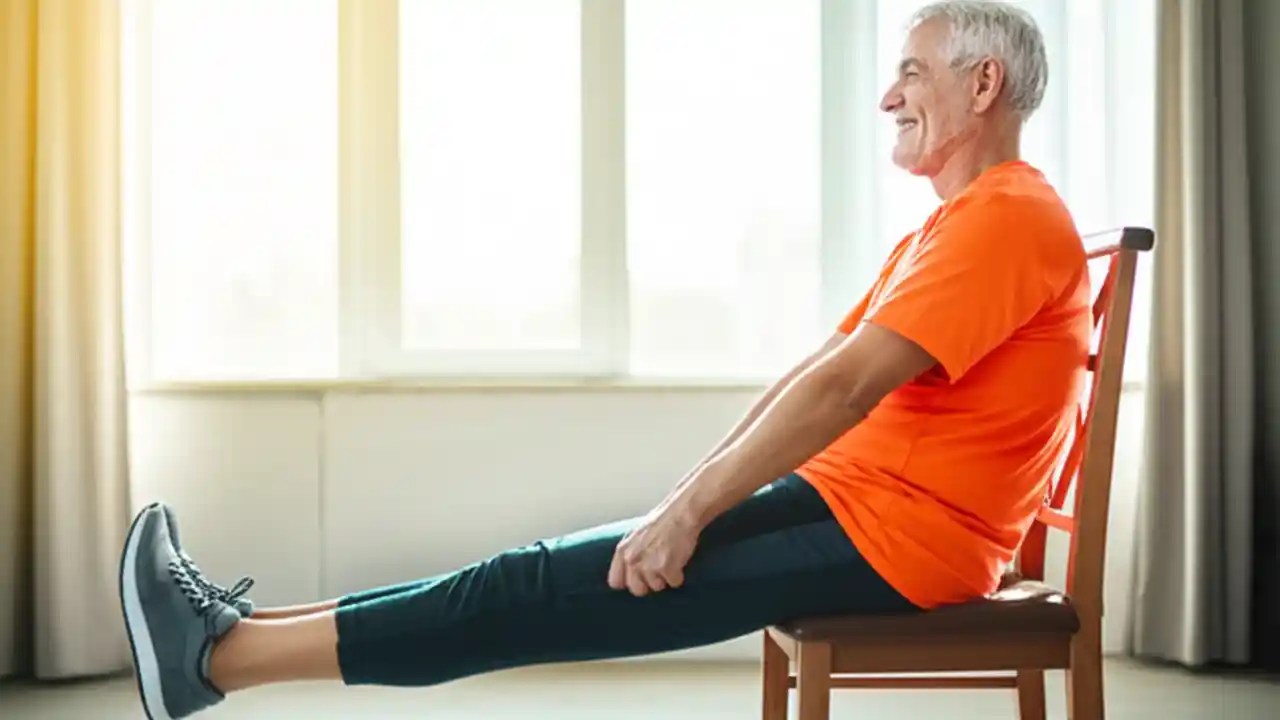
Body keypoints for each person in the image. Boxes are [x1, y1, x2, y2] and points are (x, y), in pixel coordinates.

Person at [118, 2, 1092, 717]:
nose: (888, 94)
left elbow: (842, 389)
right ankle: (222, 645)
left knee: (530, 592)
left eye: (911, 72)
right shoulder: (956, 225)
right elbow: (819, 366)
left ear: (982, 83)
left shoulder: (1006, 217)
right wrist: (684, 498)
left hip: (895, 542)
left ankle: (214, 661)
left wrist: (688, 514)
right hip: (857, 508)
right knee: (522, 576)